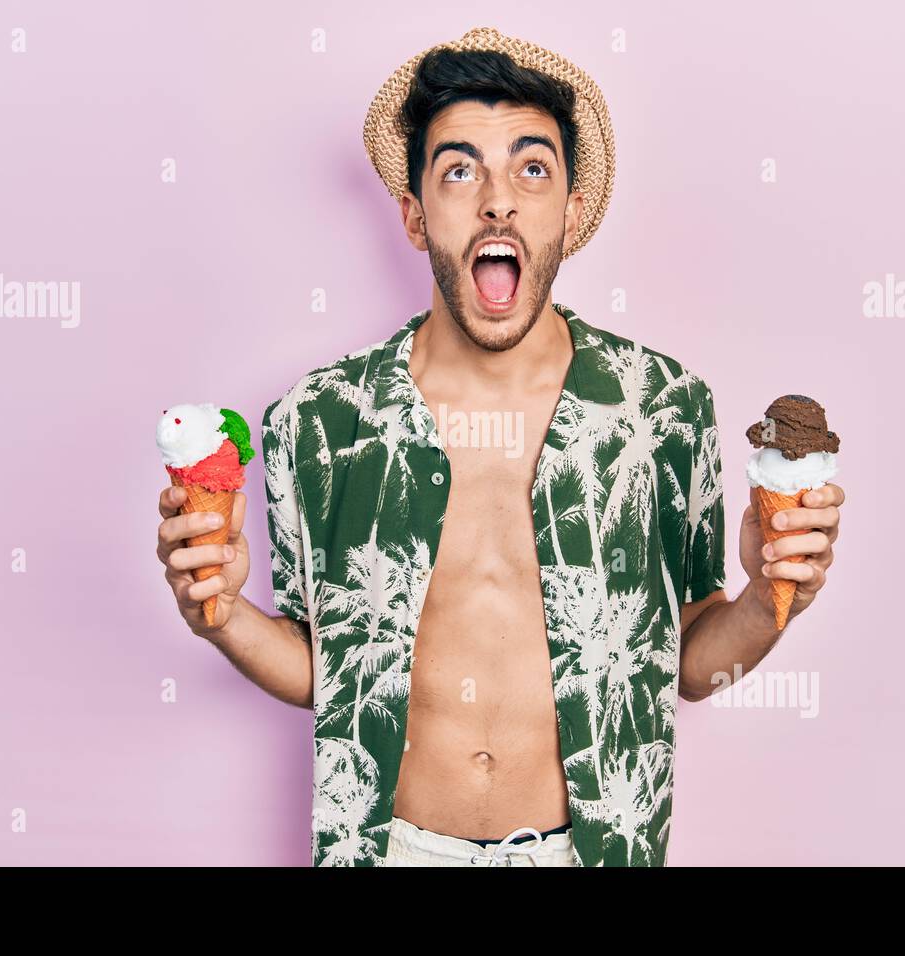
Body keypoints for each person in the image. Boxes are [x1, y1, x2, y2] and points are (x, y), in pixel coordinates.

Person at [155, 27, 845, 867]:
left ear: (572, 210)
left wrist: (772, 594)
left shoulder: (662, 409)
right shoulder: (319, 420)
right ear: (413, 215)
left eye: (531, 168)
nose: (497, 201)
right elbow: (328, 673)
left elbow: (694, 667)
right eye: (458, 169)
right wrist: (222, 617)